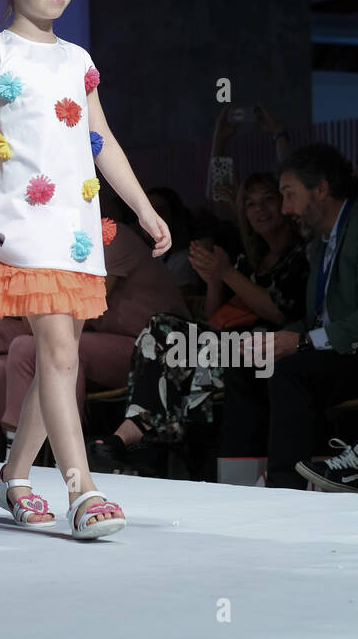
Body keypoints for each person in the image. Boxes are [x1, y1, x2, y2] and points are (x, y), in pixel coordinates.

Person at [0, 0, 170, 538]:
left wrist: (141, 207)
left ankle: (14, 477)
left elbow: (100, 138)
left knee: (60, 352)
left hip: (75, 229)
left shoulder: (78, 58)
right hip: (20, 226)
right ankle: (82, 489)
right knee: (60, 352)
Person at [87, 171, 309, 475]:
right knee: (163, 331)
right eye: (251, 204)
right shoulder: (249, 258)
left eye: (268, 199)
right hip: (229, 346)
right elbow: (214, 318)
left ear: (285, 204)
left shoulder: (301, 254)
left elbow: (280, 315)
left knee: (164, 328)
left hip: (271, 348)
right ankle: (147, 428)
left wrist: (227, 273)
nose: (261, 209)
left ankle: (142, 428)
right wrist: (215, 281)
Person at [236, 144, 358, 489]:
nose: (285, 209)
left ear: (321, 189)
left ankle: (284, 486)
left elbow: (332, 327)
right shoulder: (321, 243)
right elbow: (318, 317)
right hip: (335, 350)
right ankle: (234, 477)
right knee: (248, 365)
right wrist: (275, 341)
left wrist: (301, 342)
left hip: (351, 353)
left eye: (289, 195)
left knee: (290, 371)